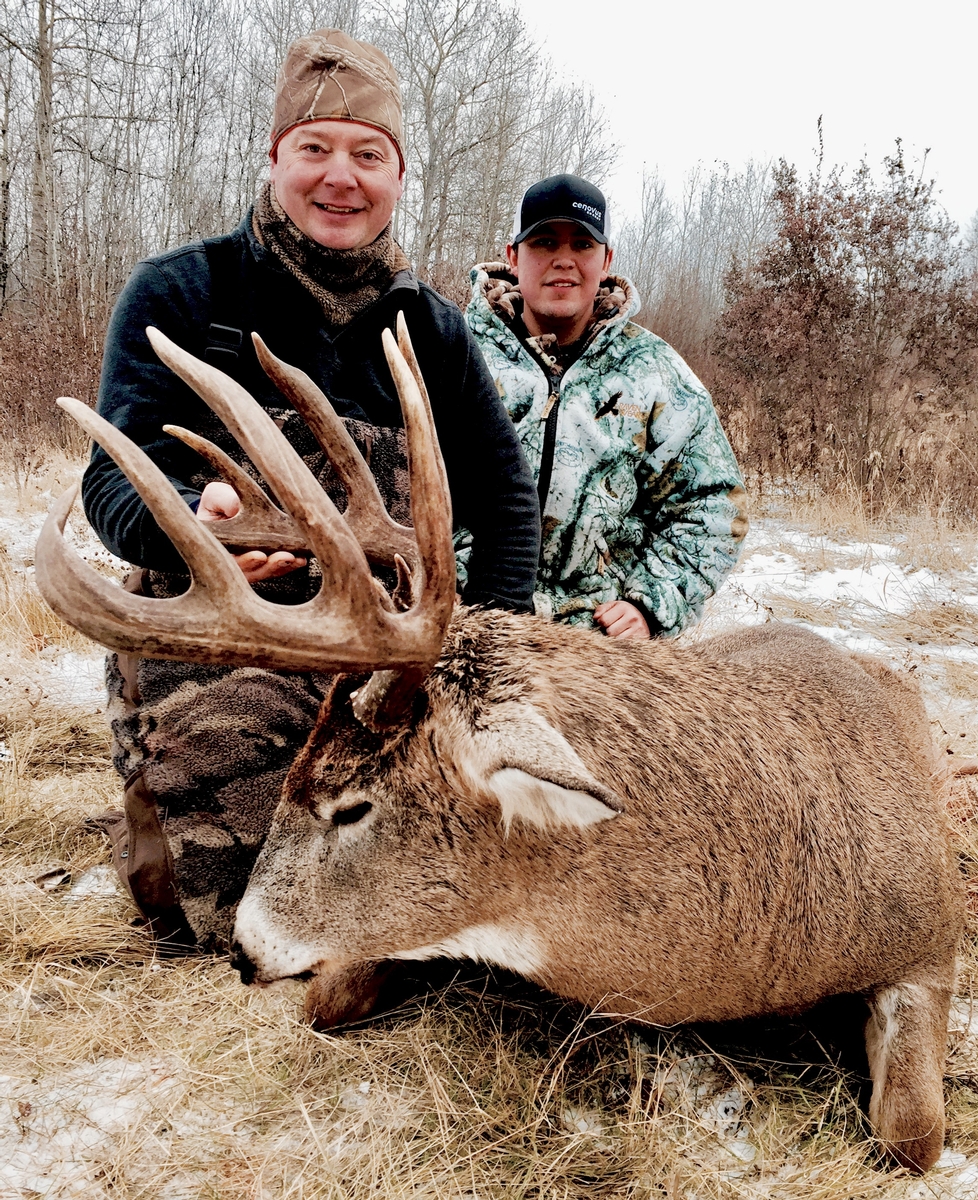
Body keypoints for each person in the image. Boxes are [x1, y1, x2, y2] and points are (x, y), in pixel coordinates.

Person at [81, 29, 540, 952]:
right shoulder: (183, 293)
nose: (343, 177)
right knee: (258, 907)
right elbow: (112, 476)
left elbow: (507, 500)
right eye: (317, 149)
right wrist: (190, 529)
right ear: (275, 155)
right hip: (224, 646)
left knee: (508, 840)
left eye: (369, 155)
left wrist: (484, 661)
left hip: (384, 659)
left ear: (399, 175)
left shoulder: (432, 329)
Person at [464, 174, 748, 640]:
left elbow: (714, 505)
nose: (564, 260)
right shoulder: (458, 352)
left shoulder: (655, 372)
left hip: (596, 646)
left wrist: (649, 604)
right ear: (513, 258)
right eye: (544, 242)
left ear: (606, 259)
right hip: (467, 621)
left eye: (582, 244)